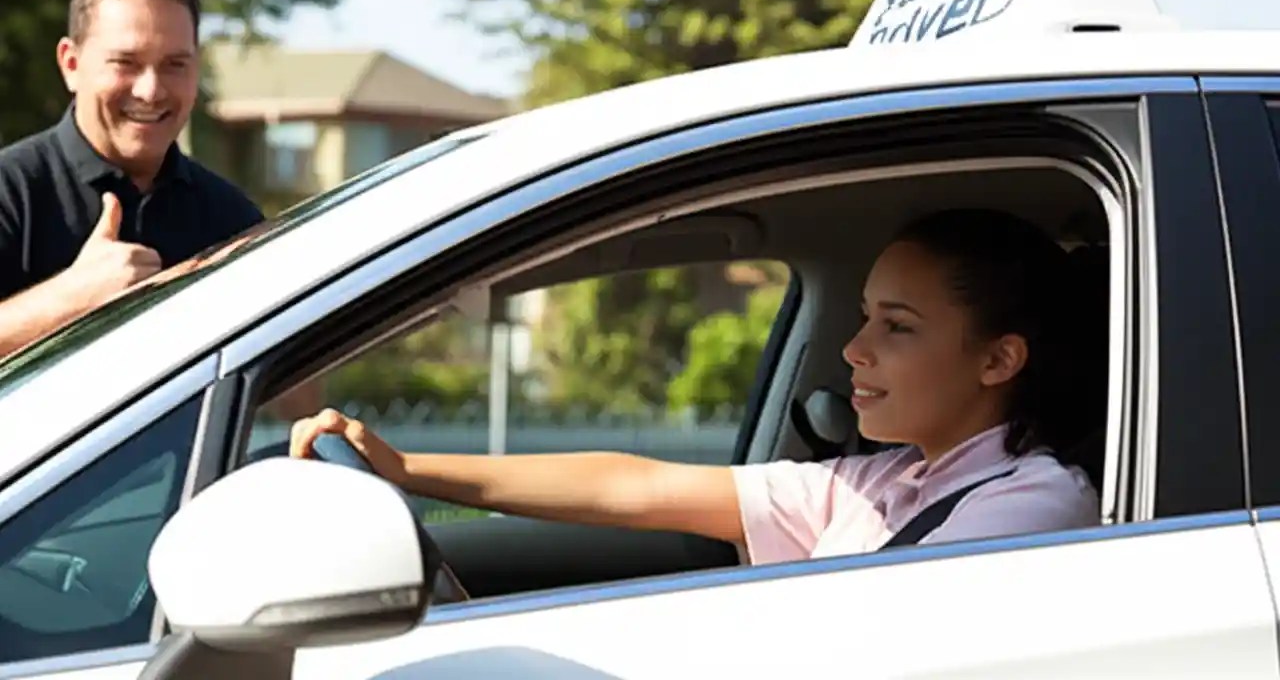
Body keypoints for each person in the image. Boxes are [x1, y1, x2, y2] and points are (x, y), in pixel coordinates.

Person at [289, 208, 1107, 564]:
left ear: (999, 360)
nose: (855, 351)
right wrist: (406, 470)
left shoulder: (1032, 506)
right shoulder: (883, 482)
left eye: (897, 327)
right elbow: (632, 485)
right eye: (863, 318)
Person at [0, 0, 264, 358]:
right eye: (126, 62)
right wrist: (68, 300)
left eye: (175, 65)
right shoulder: (10, 192)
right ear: (71, 64)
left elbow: (292, 395)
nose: (151, 90)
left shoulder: (233, 223)